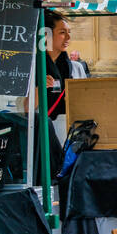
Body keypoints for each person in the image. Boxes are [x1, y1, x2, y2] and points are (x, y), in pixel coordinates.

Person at [43, 11, 74, 142]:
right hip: (40, 132)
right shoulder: (34, 66)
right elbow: (25, 107)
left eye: (69, 32)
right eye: (62, 32)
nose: (68, 37)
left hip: (65, 129)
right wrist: (41, 86)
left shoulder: (70, 66)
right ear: (46, 35)